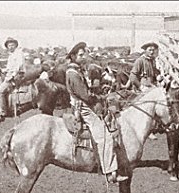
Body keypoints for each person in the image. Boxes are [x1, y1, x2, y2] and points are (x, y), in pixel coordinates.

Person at [65, 42, 128, 183]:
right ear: (73, 56)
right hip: (83, 108)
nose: (83, 57)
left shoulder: (77, 70)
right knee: (104, 136)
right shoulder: (73, 73)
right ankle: (110, 172)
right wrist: (100, 97)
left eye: (84, 54)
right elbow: (86, 96)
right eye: (80, 55)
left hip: (84, 104)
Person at [129, 42, 161, 140]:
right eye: (149, 50)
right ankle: (149, 130)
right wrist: (140, 87)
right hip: (143, 88)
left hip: (152, 87)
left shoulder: (152, 61)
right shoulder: (140, 60)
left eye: (153, 50)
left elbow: (154, 74)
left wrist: (159, 77)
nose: (152, 52)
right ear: (145, 50)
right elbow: (132, 77)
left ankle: (157, 127)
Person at [0, 37, 26, 124]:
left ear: (15, 45)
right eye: (9, 45)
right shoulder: (11, 56)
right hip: (11, 74)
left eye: (12, 45)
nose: (10, 47)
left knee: (0, 92)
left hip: (18, 75)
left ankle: (2, 114)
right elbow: (9, 68)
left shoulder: (19, 53)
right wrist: (0, 70)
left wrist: (12, 75)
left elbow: (19, 65)